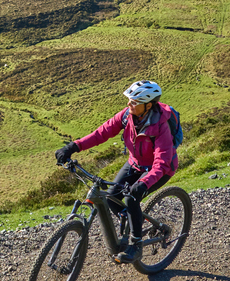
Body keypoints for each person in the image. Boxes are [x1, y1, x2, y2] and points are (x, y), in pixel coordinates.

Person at [54, 80, 179, 264]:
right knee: (111, 197)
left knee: (131, 198)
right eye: (130, 100)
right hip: (135, 164)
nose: (129, 104)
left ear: (148, 105)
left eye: (134, 102)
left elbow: (161, 162)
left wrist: (143, 183)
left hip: (159, 169)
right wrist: (74, 146)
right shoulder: (127, 115)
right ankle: (129, 219)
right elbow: (102, 133)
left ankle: (136, 245)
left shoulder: (161, 126)